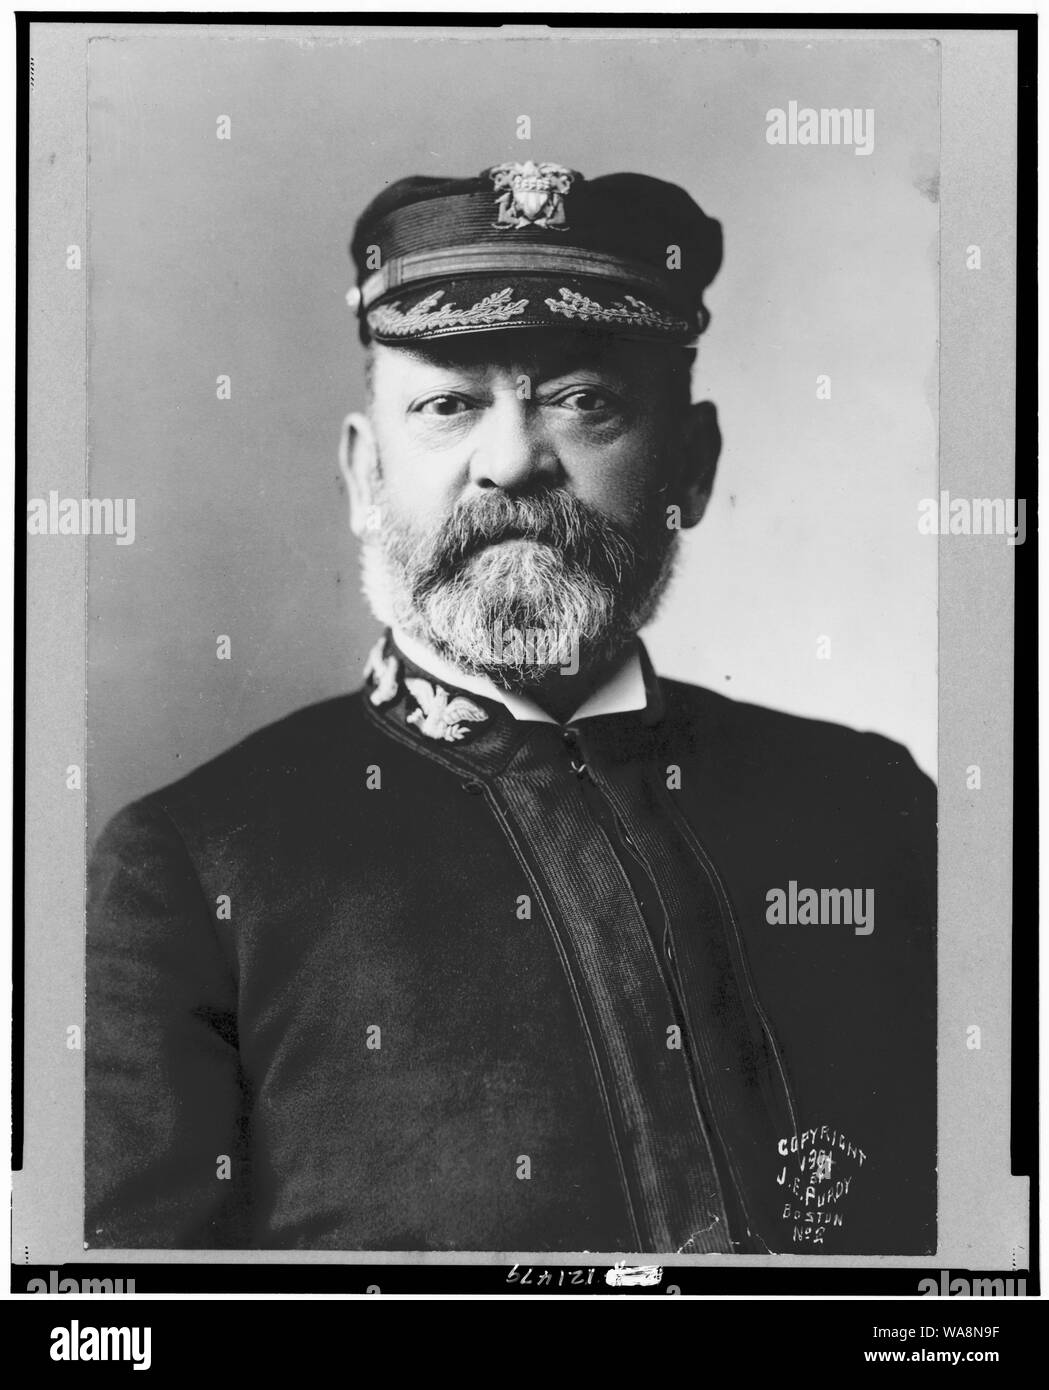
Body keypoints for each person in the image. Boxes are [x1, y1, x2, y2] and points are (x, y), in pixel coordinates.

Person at [86, 160, 936, 1254]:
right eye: (447, 405)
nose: (512, 462)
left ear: (691, 464)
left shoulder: (871, 806)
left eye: (583, 400)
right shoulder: (191, 870)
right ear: (364, 477)